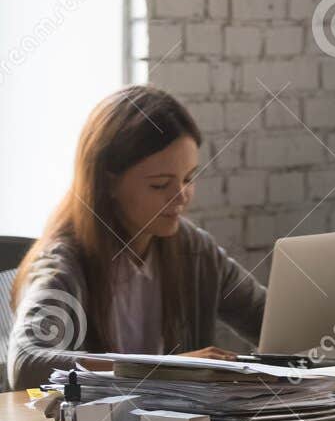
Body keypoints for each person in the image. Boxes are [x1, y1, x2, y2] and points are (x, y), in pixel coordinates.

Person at [7, 86, 267, 392]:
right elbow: (26, 363)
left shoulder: (195, 250)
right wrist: (166, 370)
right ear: (107, 182)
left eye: (188, 179)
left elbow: (269, 320)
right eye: (160, 185)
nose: (181, 197)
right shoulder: (64, 261)